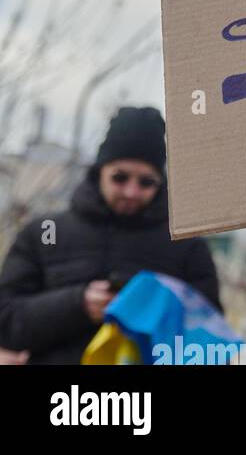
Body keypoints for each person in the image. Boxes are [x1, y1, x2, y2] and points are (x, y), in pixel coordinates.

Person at [0, 106, 221, 364]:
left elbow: (209, 341)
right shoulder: (44, 233)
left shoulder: (187, 245)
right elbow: (6, 322)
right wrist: (78, 305)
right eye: (120, 177)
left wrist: (149, 310)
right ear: (100, 171)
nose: (131, 191)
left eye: (146, 182)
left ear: (160, 183)